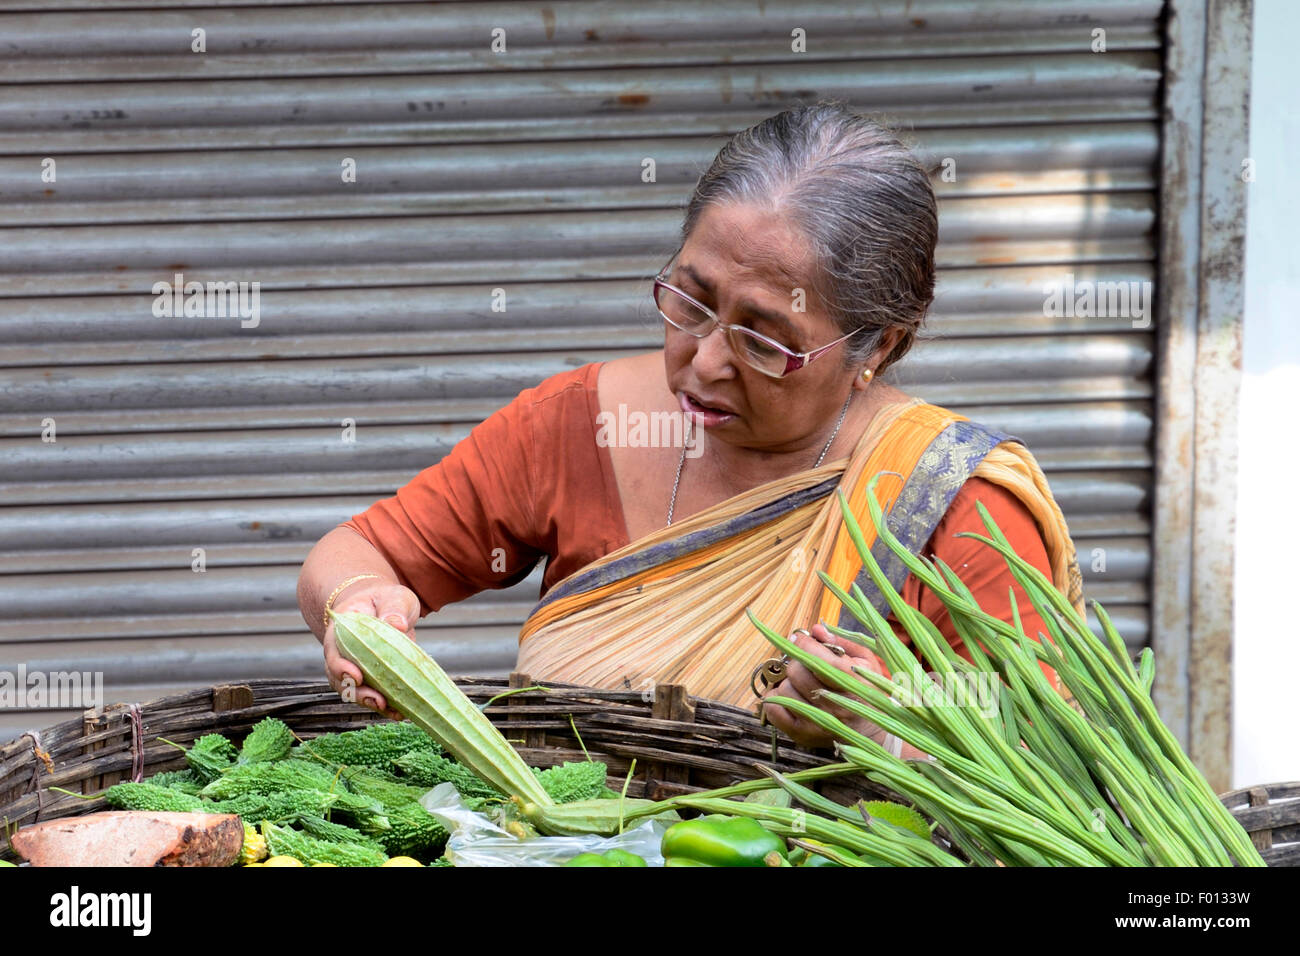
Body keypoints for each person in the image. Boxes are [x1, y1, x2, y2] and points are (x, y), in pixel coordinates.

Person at [297, 100, 1084, 759]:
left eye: (764, 339)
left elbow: (1056, 760)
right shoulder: (581, 424)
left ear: (879, 346)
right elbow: (356, 553)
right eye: (691, 300)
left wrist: (886, 727)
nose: (704, 362)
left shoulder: (955, 504)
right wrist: (361, 605)